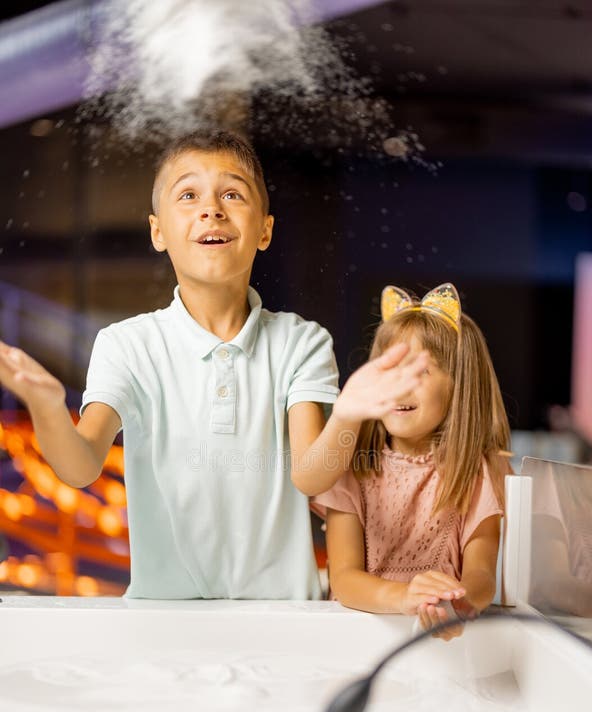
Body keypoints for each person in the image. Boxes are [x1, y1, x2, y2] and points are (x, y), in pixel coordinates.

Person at [0, 131, 428, 601]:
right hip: (162, 617)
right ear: (157, 231)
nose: (212, 209)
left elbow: (311, 475)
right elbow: (80, 467)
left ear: (264, 230)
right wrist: (46, 405)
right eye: (188, 195)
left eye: (232, 193)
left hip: (283, 616)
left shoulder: (301, 341)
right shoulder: (127, 345)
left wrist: (348, 414)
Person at [313, 283, 511, 639]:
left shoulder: (473, 472)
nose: (401, 386)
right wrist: (406, 597)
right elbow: (343, 579)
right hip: (355, 638)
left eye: (420, 371)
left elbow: (482, 574)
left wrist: (456, 605)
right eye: (392, 370)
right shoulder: (352, 467)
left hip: (437, 639)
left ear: (459, 386)